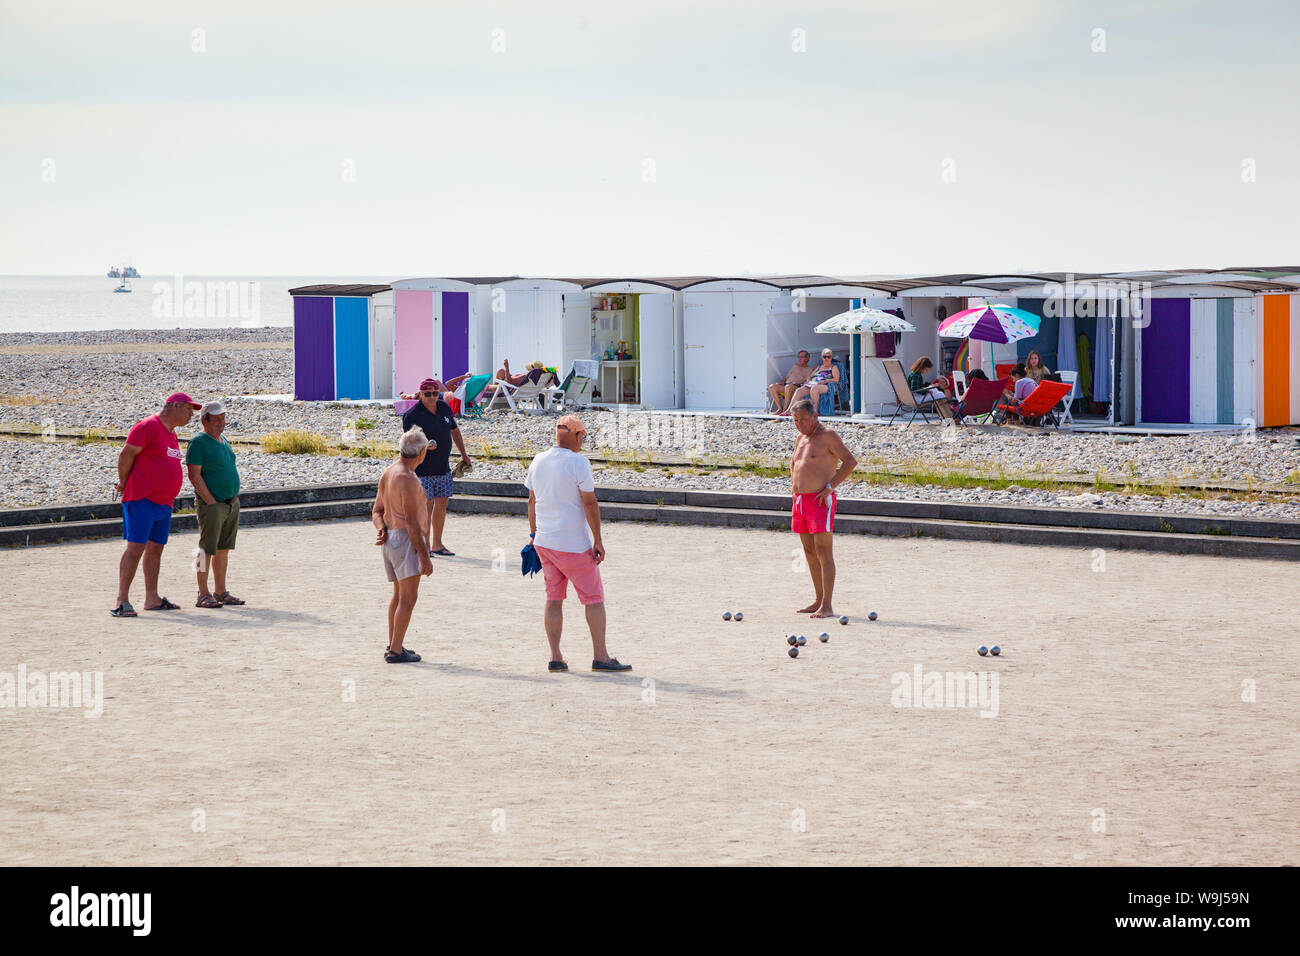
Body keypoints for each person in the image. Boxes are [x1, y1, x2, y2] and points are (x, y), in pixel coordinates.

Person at [524, 415, 630, 673]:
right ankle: (601, 657)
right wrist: (598, 540)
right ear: (573, 435)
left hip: (545, 541)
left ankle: (556, 657)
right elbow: (590, 503)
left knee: (553, 599)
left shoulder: (538, 460)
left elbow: (531, 501)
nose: (583, 440)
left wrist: (533, 535)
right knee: (593, 599)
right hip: (572, 543)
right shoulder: (578, 462)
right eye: (582, 435)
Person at [111, 392, 201, 617]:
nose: (191, 415)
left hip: (163, 502)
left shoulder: (171, 434)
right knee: (135, 549)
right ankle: (122, 600)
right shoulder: (147, 426)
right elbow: (126, 454)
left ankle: (152, 597)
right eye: (189, 410)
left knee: (155, 549)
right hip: (142, 498)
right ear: (175, 406)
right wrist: (123, 483)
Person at [789, 399, 858, 619]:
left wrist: (830, 487)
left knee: (823, 551)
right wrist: (793, 486)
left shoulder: (828, 435)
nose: (800, 424)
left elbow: (850, 461)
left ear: (815, 416)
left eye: (804, 420)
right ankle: (818, 600)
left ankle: (827, 605)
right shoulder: (801, 437)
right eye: (796, 420)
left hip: (820, 501)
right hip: (801, 501)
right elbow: (795, 463)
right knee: (809, 552)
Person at [372, 427, 435, 663]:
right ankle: (395, 650)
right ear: (421, 452)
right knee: (408, 598)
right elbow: (411, 523)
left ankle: (394, 644)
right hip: (404, 540)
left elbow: (377, 511)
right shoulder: (407, 478)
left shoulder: (389, 472)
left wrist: (380, 528)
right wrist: (425, 557)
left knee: (398, 596)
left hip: (390, 539)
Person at [401, 378, 472, 555]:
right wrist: (424, 446)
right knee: (425, 506)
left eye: (435, 393)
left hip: (443, 467)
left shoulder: (444, 407)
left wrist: (464, 454)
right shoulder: (412, 415)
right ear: (420, 394)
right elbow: (408, 445)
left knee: (442, 504)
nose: (432, 397)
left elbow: (454, 430)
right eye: (427, 394)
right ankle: (423, 545)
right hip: (421, 470)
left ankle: (437, 544)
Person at [185, 400, 244, 608]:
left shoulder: (222, 439)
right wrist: (210, 501)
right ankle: (202, 593)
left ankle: (220, 591)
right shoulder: (199, 442)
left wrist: (233, 496)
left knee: (223, 549)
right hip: (213, 504)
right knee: (205, 549)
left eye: (223, 418)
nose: (221, 422)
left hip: (229, 502)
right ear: (205, 420)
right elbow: (194, 475)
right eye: (216, 419)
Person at [782, 349, 840, 415]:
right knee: (799, 390)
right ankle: (789, 410)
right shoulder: (819, 367)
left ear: (831, 358)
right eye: (824, 357)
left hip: (825, 385)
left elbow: (836, 379)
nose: (826, 358)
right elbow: (810, 376)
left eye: (828, 357)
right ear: (822, 358)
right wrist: (808, 380)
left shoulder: (833, 367)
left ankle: (815, 411)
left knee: (814, 389)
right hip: (813, 384)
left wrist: (825, 381)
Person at [767, 350, 814, 414]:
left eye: (801, 357)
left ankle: (785, 409)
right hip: (786, 386)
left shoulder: (810, 369)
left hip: (796, 387)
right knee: (772, 387)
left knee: (788, 387)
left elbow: (807, 381)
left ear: (807, 358)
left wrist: (795, 383)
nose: (799, 359)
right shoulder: (795, 366)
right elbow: (786, 377)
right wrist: (782, 382)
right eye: (798, 357)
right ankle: (780, 409)